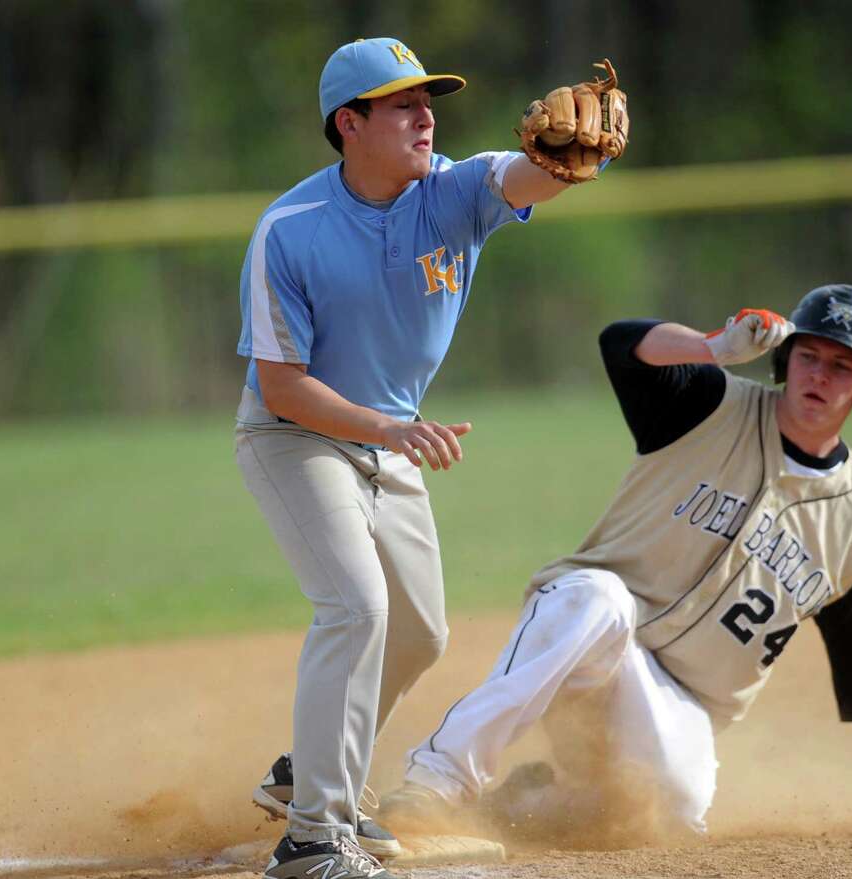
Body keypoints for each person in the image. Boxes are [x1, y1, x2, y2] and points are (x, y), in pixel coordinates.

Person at [333, 284, 852, 841]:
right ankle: (435, 784)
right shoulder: (710, 405)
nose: (819, 376)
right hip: (591, 640)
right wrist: (713, 346)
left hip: (679, 705)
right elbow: (620, 345)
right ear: (784, 360)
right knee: (598, 598)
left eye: (843, 366)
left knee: (669, 817)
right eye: (809, 356)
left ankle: (533, 798)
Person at [234, 36, 607, 879]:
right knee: (358, 607)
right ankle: (313, 836)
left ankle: (306, 768)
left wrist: (569, 158)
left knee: (422, 631)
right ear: (349, 121)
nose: (425, 116)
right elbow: (283, 387)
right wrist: (390, 430)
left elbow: (528, 176)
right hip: (296, 437)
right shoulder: (288, 230)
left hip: (388, 438)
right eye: (403, 103)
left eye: (428, 100)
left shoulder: (453, 194)